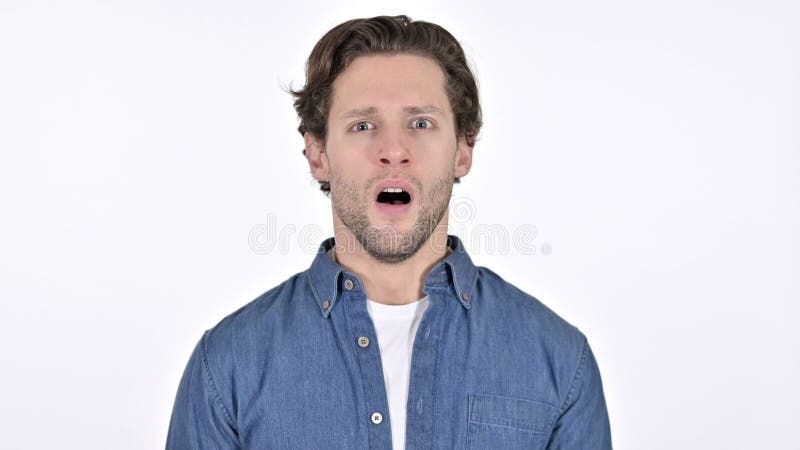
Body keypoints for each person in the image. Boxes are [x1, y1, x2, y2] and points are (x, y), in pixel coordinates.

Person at [167, 15, 611, 449]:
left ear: (462, 151)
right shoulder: (226, 366)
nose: (394, 150)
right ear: (317, 153)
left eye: (421, 123)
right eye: (363, 125)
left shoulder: (559, 360)